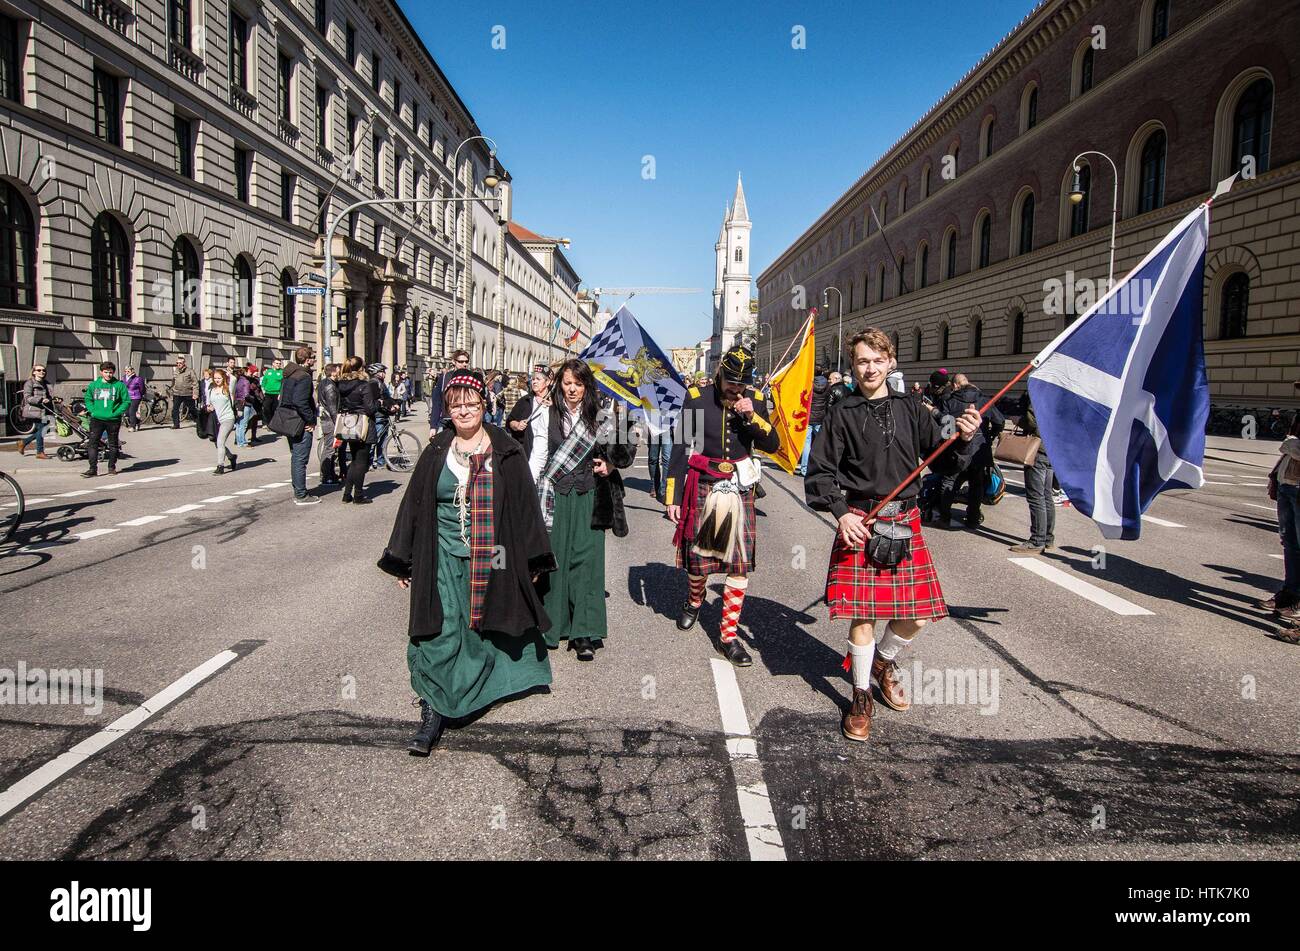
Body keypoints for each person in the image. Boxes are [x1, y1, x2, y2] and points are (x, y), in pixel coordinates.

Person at [806, 329, 981, 742]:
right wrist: (840, 514)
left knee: (917, 614)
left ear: (891, 362)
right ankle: (861, 695)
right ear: (854, 366)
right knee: (863, 615)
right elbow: (820, 473)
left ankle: (882, 662)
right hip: (862, 520)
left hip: (905, 520)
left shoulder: (910, 407)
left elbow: (944, 454)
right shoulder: (841, 412)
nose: (869, 367)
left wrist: (965, 436)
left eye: (876, 360)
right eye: (862, 361)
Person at [379, 369, 557, 755]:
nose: (464, 411)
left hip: (493, 553)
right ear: (447, 408)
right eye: (456, 404)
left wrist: (532, 558)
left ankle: (482, 687)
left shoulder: (505, 448)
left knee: (485, 625)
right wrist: (404, 561)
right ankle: (434, 709)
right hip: (441, 552)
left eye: (471, 403)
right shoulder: (436, 450)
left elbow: (524, 506)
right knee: (440, 630)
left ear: (483, 405)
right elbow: (414, 505)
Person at [665, 345, 781, 668]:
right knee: (700, 561)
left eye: (741, 384)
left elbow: (773, 444)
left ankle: (727, 636)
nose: (735, 389)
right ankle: (694, 599)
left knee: (739, 565)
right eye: (731, 382)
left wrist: (751, 416)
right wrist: (672, 496)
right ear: (720, 373)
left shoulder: (754, 401)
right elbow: (680, 444)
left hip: (741, 487)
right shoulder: (697, 397)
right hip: (704, 483)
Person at [528, 359, 635, 662]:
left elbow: (626, 448)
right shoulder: (546, 414)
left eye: (578, 383)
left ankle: (584, 633)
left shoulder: (601, 417)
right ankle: (553, 625)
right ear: (559, 384)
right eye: (567, 383)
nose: (572, 389)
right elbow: (538, 458)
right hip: (555, 497)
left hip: (590, 496)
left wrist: (611, 464)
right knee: (556, 558)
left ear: (586, 386)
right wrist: (526, 493)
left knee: (587, 562)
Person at [938, 372, 1005, 528]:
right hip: (979, 451)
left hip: (957, 448)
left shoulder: (949, 400)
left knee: (949, 481)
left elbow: (945, 428)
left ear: (955, 385)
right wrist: (990, 436)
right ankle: (973, 517)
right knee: (976, 484)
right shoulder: (984, 400)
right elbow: (1000, 421)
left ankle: (944, 517)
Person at [1265, 390, 1300, 638]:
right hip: (1289, 482)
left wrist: (1294, 446)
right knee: (1290, 544)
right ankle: (1289, 597)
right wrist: (1274, 476)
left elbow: (1291, 445)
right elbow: (1287, 450)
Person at [1009, 391, 1055, 555]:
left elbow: (1032, 421)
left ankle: (1037, 540)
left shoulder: (1041, 392)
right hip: (1052, 448)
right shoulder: (1058, 392)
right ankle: (1047, 538)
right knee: (1046, 495)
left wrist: (1018, 420)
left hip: (1038, 448)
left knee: (1036, 496)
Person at [279, 347, 319, 505]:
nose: (314, 361)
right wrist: (310, 420)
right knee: (300, 458)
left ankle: (298, 489)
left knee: (296, 456)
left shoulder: (289, 373)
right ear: (307, 359)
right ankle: (301, 494)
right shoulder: (303, 376)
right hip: (300, 421)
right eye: (313, 357)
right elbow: (300, 401)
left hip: (289, 419)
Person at [336, 357, 378, 504]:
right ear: (361, 369)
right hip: (363, 424)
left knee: (354, 460)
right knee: (361, 462)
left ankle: (347, 494)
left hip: (348, 424)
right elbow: (370, 408)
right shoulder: (363, 385)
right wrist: (378, 403)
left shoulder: (341, 384)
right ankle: (358, 495)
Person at [82, 361, 130, 478]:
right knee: (93, 444)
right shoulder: (94, 385)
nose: (108, 374)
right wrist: (92, 410)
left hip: (113, 419)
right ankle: (92, 468)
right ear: (101, 372)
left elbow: (126, 401)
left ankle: (111, 467)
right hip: (97, 418)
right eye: (106, 372)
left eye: (110, 372)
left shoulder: (119, 385)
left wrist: (117, 412)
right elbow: (88, 399)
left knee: (113, 444)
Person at [506, 365, 552, 458]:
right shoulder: (525, 400)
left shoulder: (556, 400)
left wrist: (553, 407)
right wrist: (517, 425)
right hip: (529, 452)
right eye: (533, 379)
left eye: (538, 379)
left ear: (547, 382)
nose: (534, 382)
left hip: (550, 453)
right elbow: (510, 422)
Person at [795, 368, 830, 477]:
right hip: (821, 418)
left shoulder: (809, 385)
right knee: (822, 443)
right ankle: (824, 467)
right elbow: (828, 401)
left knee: (806, 444)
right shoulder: (827, 386)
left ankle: (804, 469)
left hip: (808, 418)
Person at [428, 350, 470, 433]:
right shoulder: (444, 378)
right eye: (461, 362)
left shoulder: (471, 378)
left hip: (466, 420)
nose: (464, 364)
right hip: (448, 420)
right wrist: (433, 426)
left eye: (466, 361)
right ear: (453, 362)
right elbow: (437, 402)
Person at [206, 369, 239, 475]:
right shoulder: (211, 389)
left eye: (219, 378)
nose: (217, 380)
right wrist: (209, 408)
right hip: (216, 419)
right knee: (217, 443)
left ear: (223, 378)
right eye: (215, 378)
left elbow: (234, 379)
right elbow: (208, 404)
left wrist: (228, 373)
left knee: (220, 441)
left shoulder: (228, 388)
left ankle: (220, 466)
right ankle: (231, 457)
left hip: (228, 418)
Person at [18, 364, 53, 459]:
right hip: (34, 411)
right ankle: (39, 452)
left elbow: (50, 396)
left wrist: (53, 399)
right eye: (39, 370)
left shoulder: (46, 383)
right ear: (34, 372)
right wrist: (40, 400)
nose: (42, 372)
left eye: (43, 370)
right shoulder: (29, 383)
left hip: (45, 410)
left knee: (45, 429)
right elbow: (27, 398)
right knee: (42, 430)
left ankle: (23, 442)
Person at [368, 363, 398, 469]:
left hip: (383, 414)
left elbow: (386, 397)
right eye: (382, 371)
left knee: (383, 440)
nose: (384, 373)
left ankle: (381, 461)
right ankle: (369, 462)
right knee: (374, 439)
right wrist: (389, 406)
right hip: (378, 415)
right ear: (376, 373)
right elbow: (377, 400)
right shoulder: (373, 383)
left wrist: (394, 404)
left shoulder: (381, 383)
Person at [316, 362, 342, 484]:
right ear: (332, 372)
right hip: (330, 420)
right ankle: (326, 476)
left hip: (326, 419)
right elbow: (332, 407)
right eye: (337, 370)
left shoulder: (324, 382)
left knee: (331, 448)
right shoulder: (330, 386)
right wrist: (338, 423)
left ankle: (330, 474)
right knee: (330, 448)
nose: (339, 373)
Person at [169, 355, 198, 428]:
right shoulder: (175, 371)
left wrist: (195, 393)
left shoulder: (190, 371)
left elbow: (195, 383)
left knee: (192, 409)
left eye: (180, 363)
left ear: (184, 363)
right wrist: (171, 389)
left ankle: (198, 421)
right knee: (175, 409)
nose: (178, 364)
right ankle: (176, 424)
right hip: (177, 393)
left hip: (187, 394)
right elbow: (173, 381)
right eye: (177, 363)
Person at [260, 358, 284, 437]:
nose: (278, 365)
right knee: (267, 409)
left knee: (275, 410)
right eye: (277, 363)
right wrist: (263, 389)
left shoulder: (281, 372)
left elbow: (283, 384)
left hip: (277, 394)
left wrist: (281, 393)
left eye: (279, 363)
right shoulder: (268, 372)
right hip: (268, 393)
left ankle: (275, 426)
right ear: (273, 364)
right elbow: (264, 382)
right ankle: (268, 423)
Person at [123, 366, 145, 431]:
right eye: (125, 371)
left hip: (136, 397)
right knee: (126, 412)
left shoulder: (138, 378)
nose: (127, 373)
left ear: (132, 371)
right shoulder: (124, 378)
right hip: (127, 397)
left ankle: (132, 426)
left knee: (132, 411)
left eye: (128, 371)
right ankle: (137, 422)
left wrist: (140, 395)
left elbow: (142, 388)